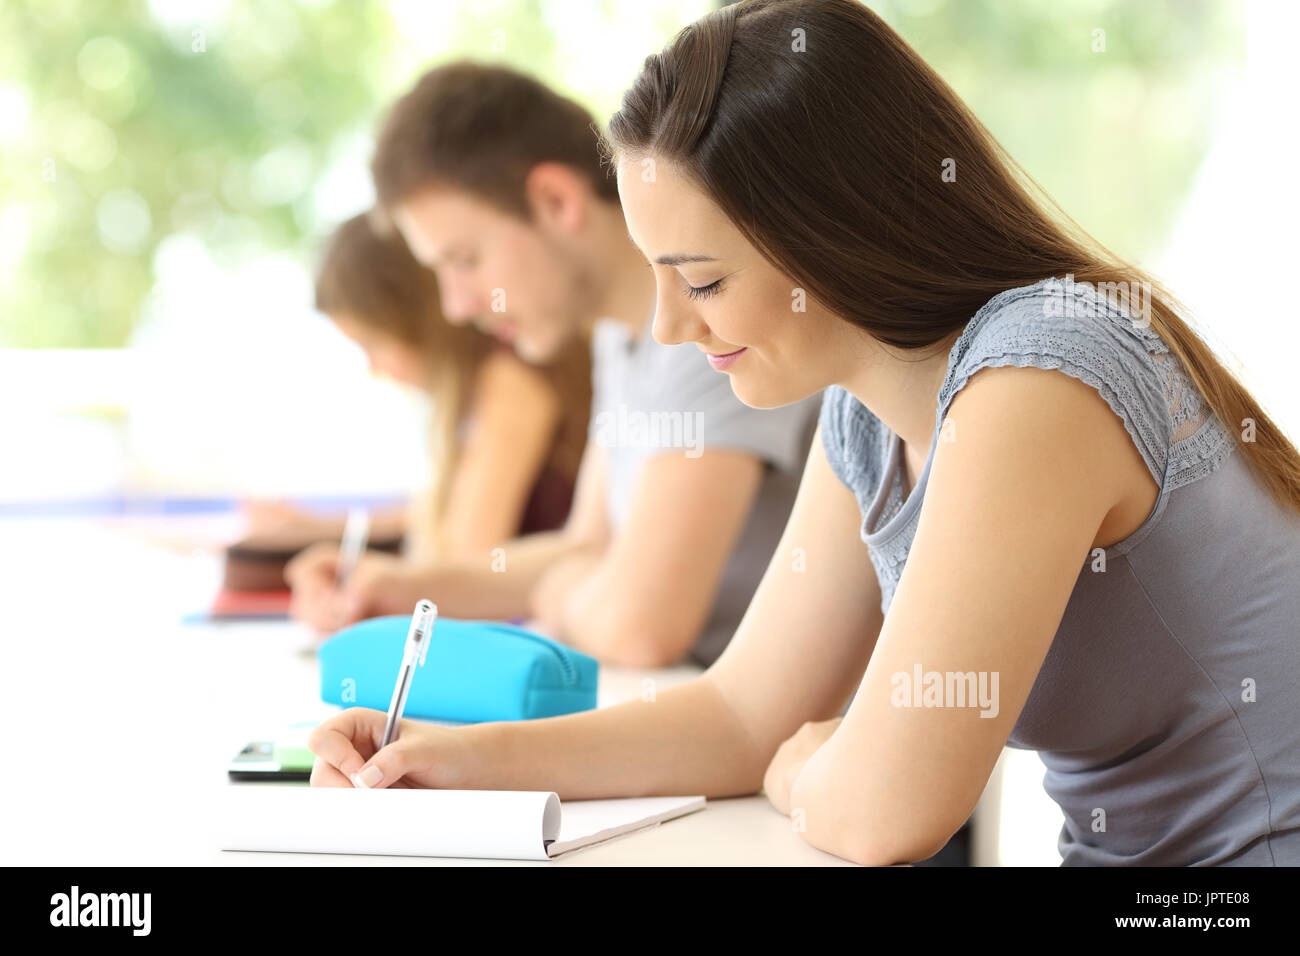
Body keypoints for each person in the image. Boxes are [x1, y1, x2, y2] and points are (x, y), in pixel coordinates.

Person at [308, 0, 1300, 866]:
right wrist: (440, 756)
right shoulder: (863, 413)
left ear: (829, 235)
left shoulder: (1037, 375)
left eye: (699, 281)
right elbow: (744, 712)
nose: (668, 328)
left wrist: (805, 763)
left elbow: (884, 811)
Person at [285, 62, 821, 668]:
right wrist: (403, 588)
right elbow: (587, 544)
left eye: (464, 259)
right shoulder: (618, 338)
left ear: (556, 200)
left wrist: (558, 593)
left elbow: (640, 628)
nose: (456, 306)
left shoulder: (707, 332)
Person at [277, 211, 590, 627]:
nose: (372, 367)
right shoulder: (471, 401)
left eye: (373, 342)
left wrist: (373, 589)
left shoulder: (510, 384)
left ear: (418, 319)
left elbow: (460, 556)